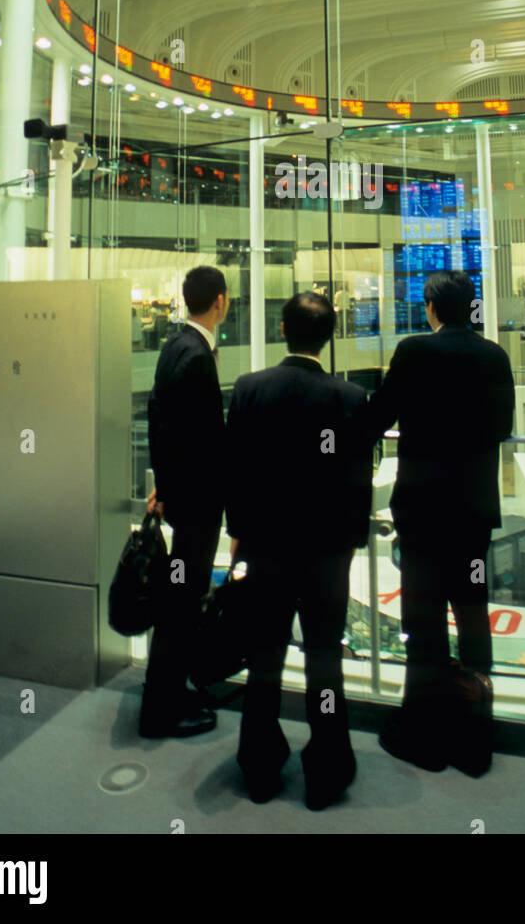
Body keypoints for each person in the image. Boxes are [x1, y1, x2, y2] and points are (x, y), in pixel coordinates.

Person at [224, 292, 372, 809]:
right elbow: (357, 483)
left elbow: (237, 469)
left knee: (264, 660)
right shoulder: (350, 399)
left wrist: (237, 530)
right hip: (327, 556)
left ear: (283, 330)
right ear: (328, 337)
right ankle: (326, 772)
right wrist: (351, 543)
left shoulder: (249, 390)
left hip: (265, 549)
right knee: (324, 663)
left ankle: (260, 768)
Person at [365, 270, 515, 777]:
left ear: (430, 307)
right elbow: (503, 427)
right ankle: (476, 742)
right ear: (469, 307)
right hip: (472, 516)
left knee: (424, 622)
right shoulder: (494, 355)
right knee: (473, 615)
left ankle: (425, 737)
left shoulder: (414, 353)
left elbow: (376, 420)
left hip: (424, 516)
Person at [139, 265, 229, 738]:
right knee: (182, 600)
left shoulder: (175, 346)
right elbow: (205, 441)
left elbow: (159, 421)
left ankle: (169, 692)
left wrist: (164, 486)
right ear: (219, 302)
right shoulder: (197, 356)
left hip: (181, 498)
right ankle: (162, 708)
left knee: (181, 597)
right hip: (197, 506)